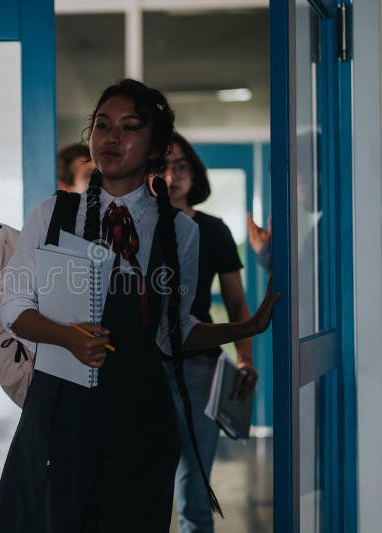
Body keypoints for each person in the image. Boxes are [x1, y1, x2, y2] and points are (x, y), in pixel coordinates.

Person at [0, 79, 279, 533]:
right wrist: (66, 337)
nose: (112, 137)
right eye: (102, 125)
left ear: (156, 146)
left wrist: (244, 329)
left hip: (140, 411)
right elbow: (15, 308)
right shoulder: (53, 214)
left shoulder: (181, 231)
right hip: (62, 410)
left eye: (129, 127)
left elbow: (171, 332)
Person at [151, 132, 257, 533]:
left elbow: (237, 303)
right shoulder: (134, 227)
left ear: (194, 174)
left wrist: (244, 356)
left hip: (199, 368)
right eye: (162, 166)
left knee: (195, 493)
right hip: (142, 367)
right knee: (143, 485)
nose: (172, 175)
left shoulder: (213, 230)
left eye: (181, 166)